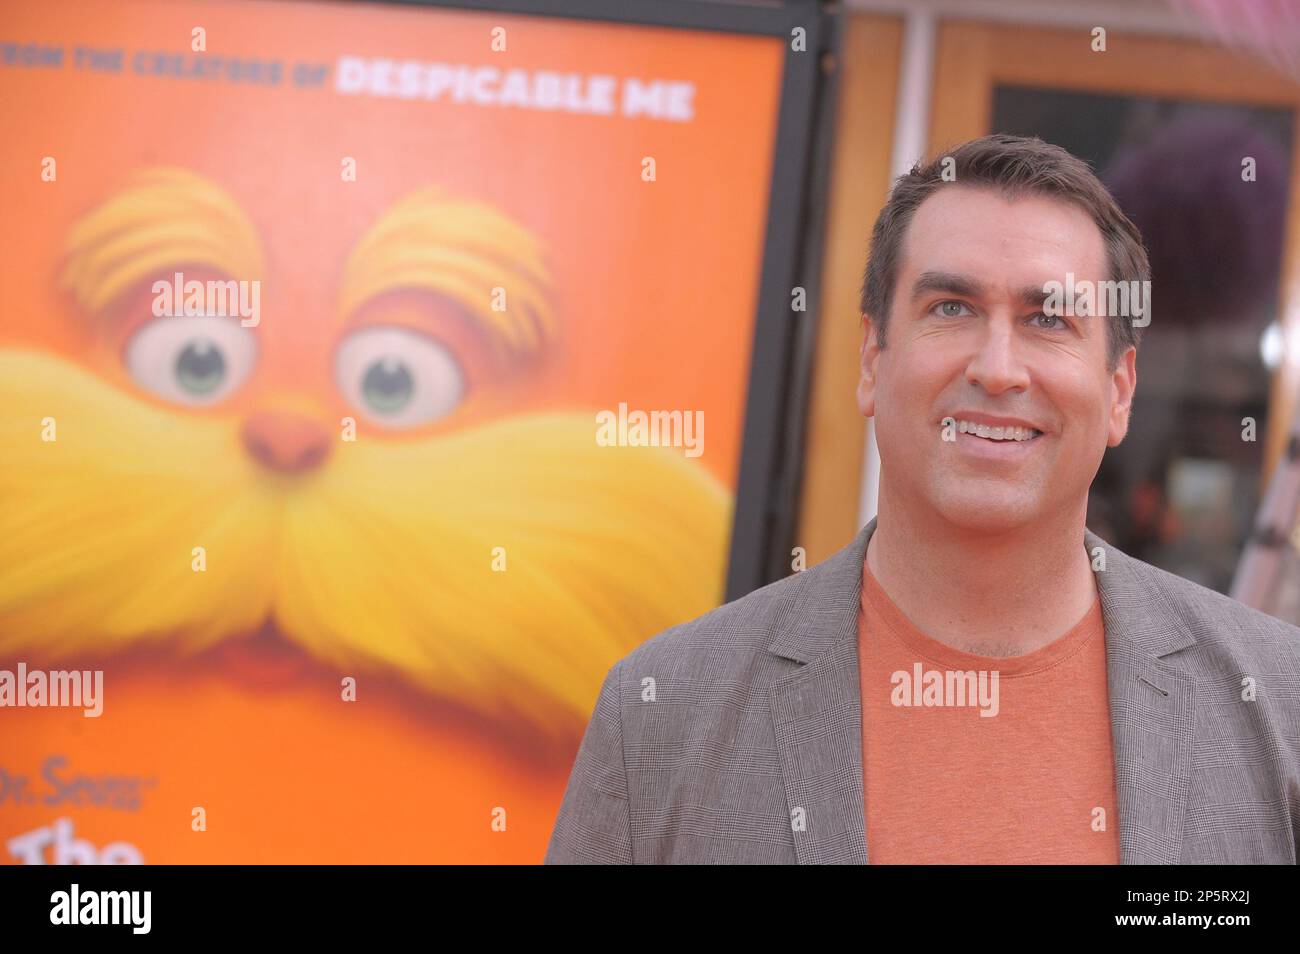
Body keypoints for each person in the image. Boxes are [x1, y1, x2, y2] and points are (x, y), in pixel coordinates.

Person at [544, 134, 1300, 864]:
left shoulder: (1281, 703)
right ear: (873, 358)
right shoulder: (660, 713)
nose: (998, 369)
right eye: (951, 308)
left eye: (1048, 319)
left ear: (1119, 391)